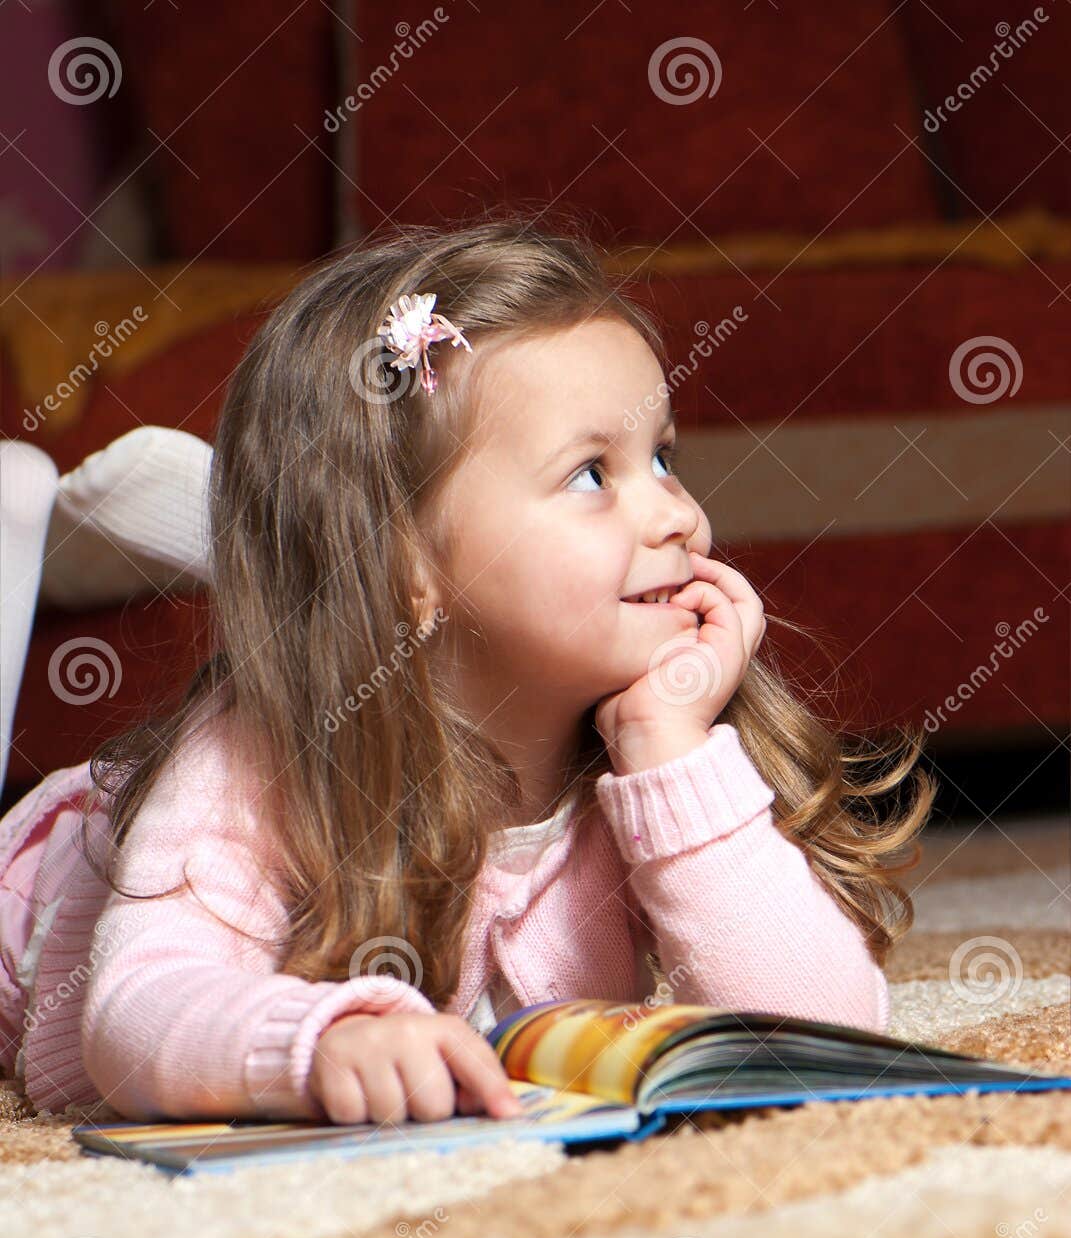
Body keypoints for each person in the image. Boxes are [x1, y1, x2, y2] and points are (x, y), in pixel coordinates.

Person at [0, 214, 933, 1128]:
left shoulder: (646, 749)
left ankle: (246, 535)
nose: (677, 518)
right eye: (589, 476)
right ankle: (247, 535)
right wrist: (318, 1043)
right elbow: (134, 1016)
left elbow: (822, 1034)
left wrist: (667, 747)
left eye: (662, 458)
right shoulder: (252, 758)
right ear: (407, 561)